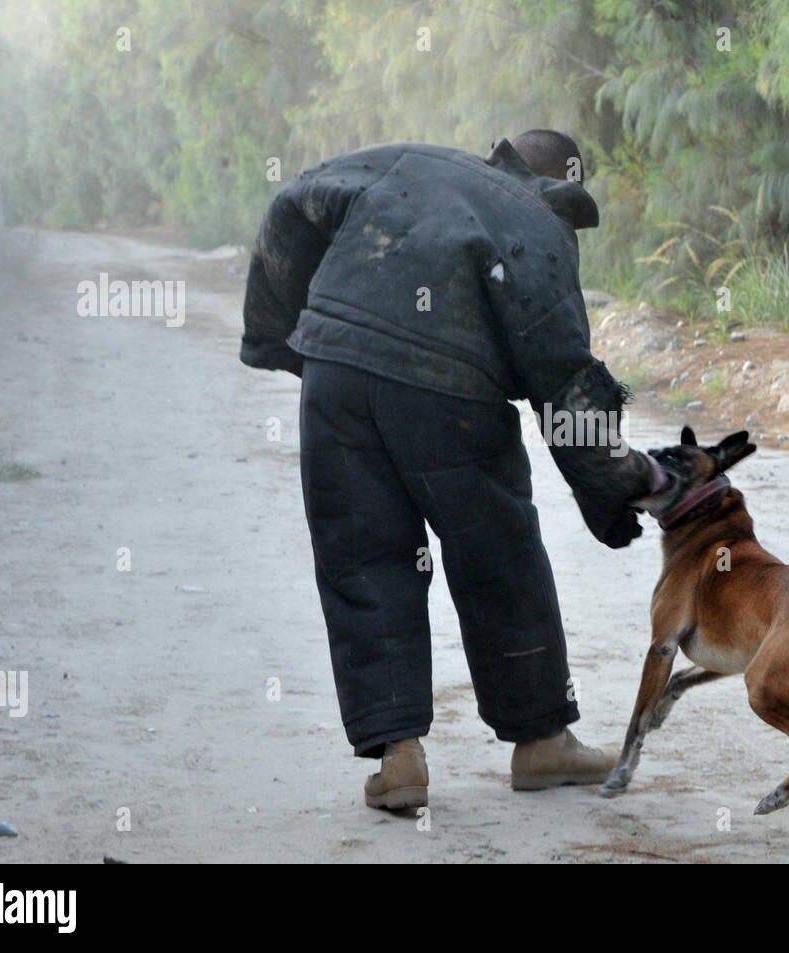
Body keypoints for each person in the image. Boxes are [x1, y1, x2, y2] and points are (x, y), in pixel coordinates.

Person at [240, 129, 668, 809]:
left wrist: (277, 333)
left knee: (364, 557)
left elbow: (293, 202)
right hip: (444, 392)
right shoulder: (536, 223)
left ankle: (398, 755)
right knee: (499, 554)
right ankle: (540, 741)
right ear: (558, 190)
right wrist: (622, 483)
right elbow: (563, 382)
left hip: (333, 376)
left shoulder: (406, 163)